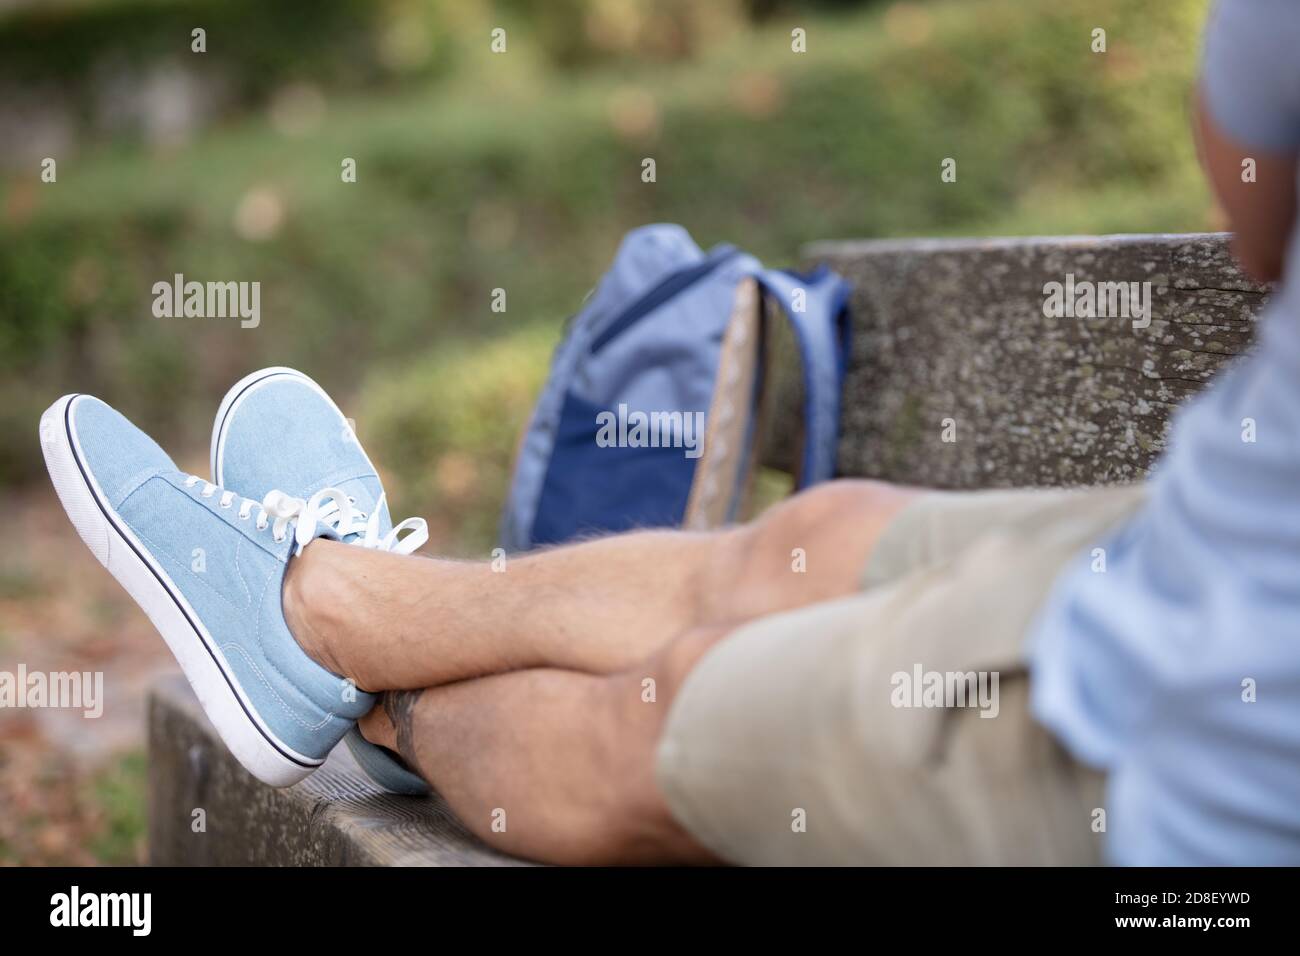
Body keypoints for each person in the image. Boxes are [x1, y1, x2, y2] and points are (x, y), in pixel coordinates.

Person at [39, 0, 1300, 865]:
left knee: (671, 714)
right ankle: (343, 625)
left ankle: (356, 670)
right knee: (809, 539)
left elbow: (1257, 189)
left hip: (1204, 736)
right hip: (1185, 550)